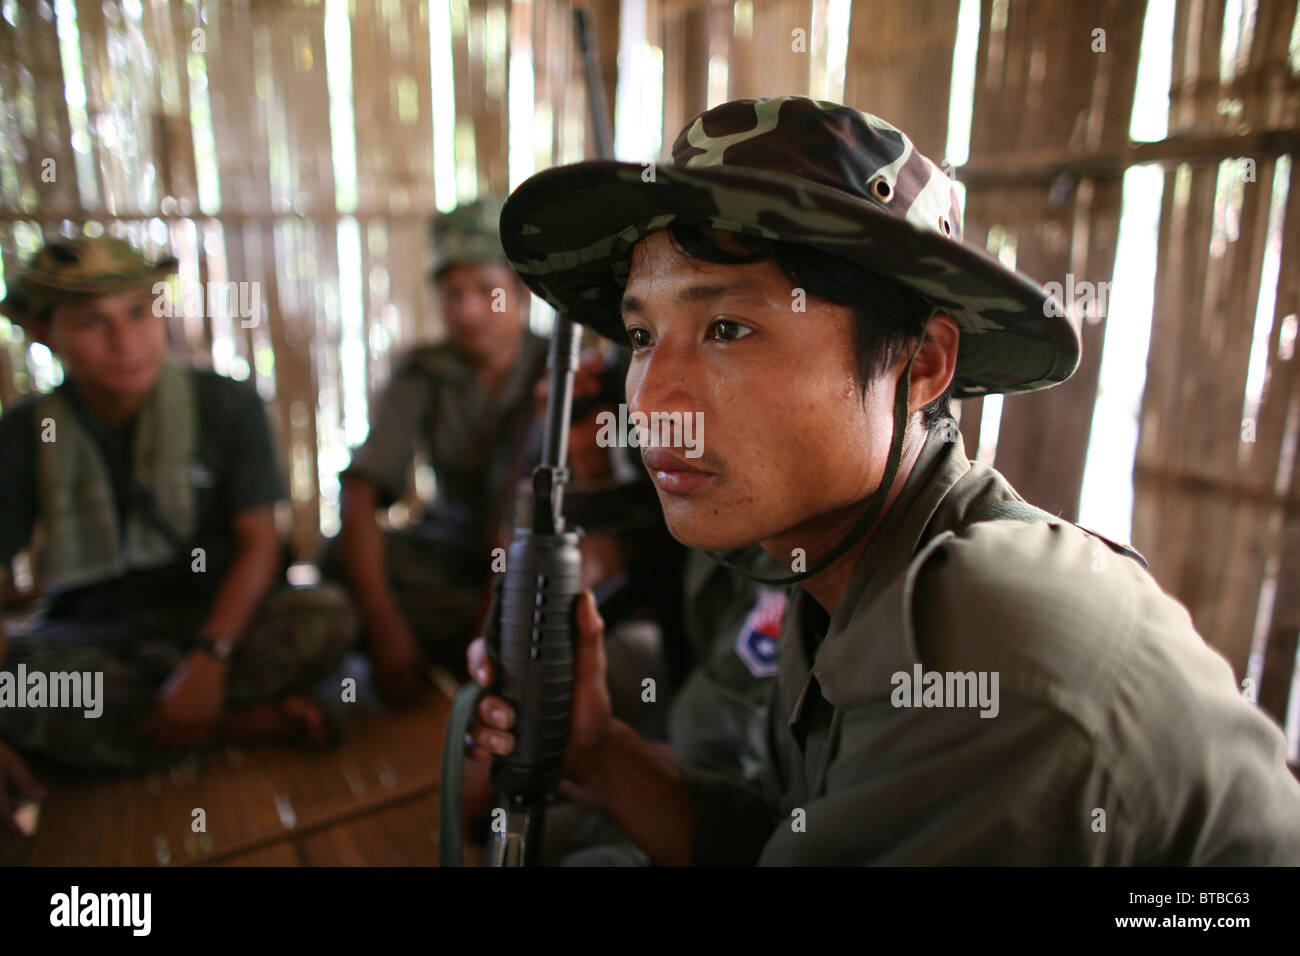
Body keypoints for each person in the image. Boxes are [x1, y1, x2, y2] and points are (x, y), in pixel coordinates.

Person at [464, 95, 1300, 864]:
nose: (651, 401)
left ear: (922, 363)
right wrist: (601, 754)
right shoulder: (838, 576)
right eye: (643, 336)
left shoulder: (982, 633)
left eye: (726, 327)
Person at [0, 236, 355, 776]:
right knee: (18, 686)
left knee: (327, 616)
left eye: (139, 312)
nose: (125, 341)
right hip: (97, 635)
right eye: (92, 322)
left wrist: (210, 659)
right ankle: (242, 723)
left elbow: (261, 543)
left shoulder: (227, 403)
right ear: (46, 333)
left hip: (215, 620)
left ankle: (149, 727)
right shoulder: (24, 435)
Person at [330, 197, 548, 702]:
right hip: (449, 556)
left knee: (565, 594)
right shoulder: (422, 373)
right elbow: (360, 493)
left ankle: (476, 645)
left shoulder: (562, 371)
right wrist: (385, 626)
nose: (469, 310)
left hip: (532, 561)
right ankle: (455, 646)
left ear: (521, 293)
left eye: (486, 291)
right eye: (453, 294)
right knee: (339, 559)